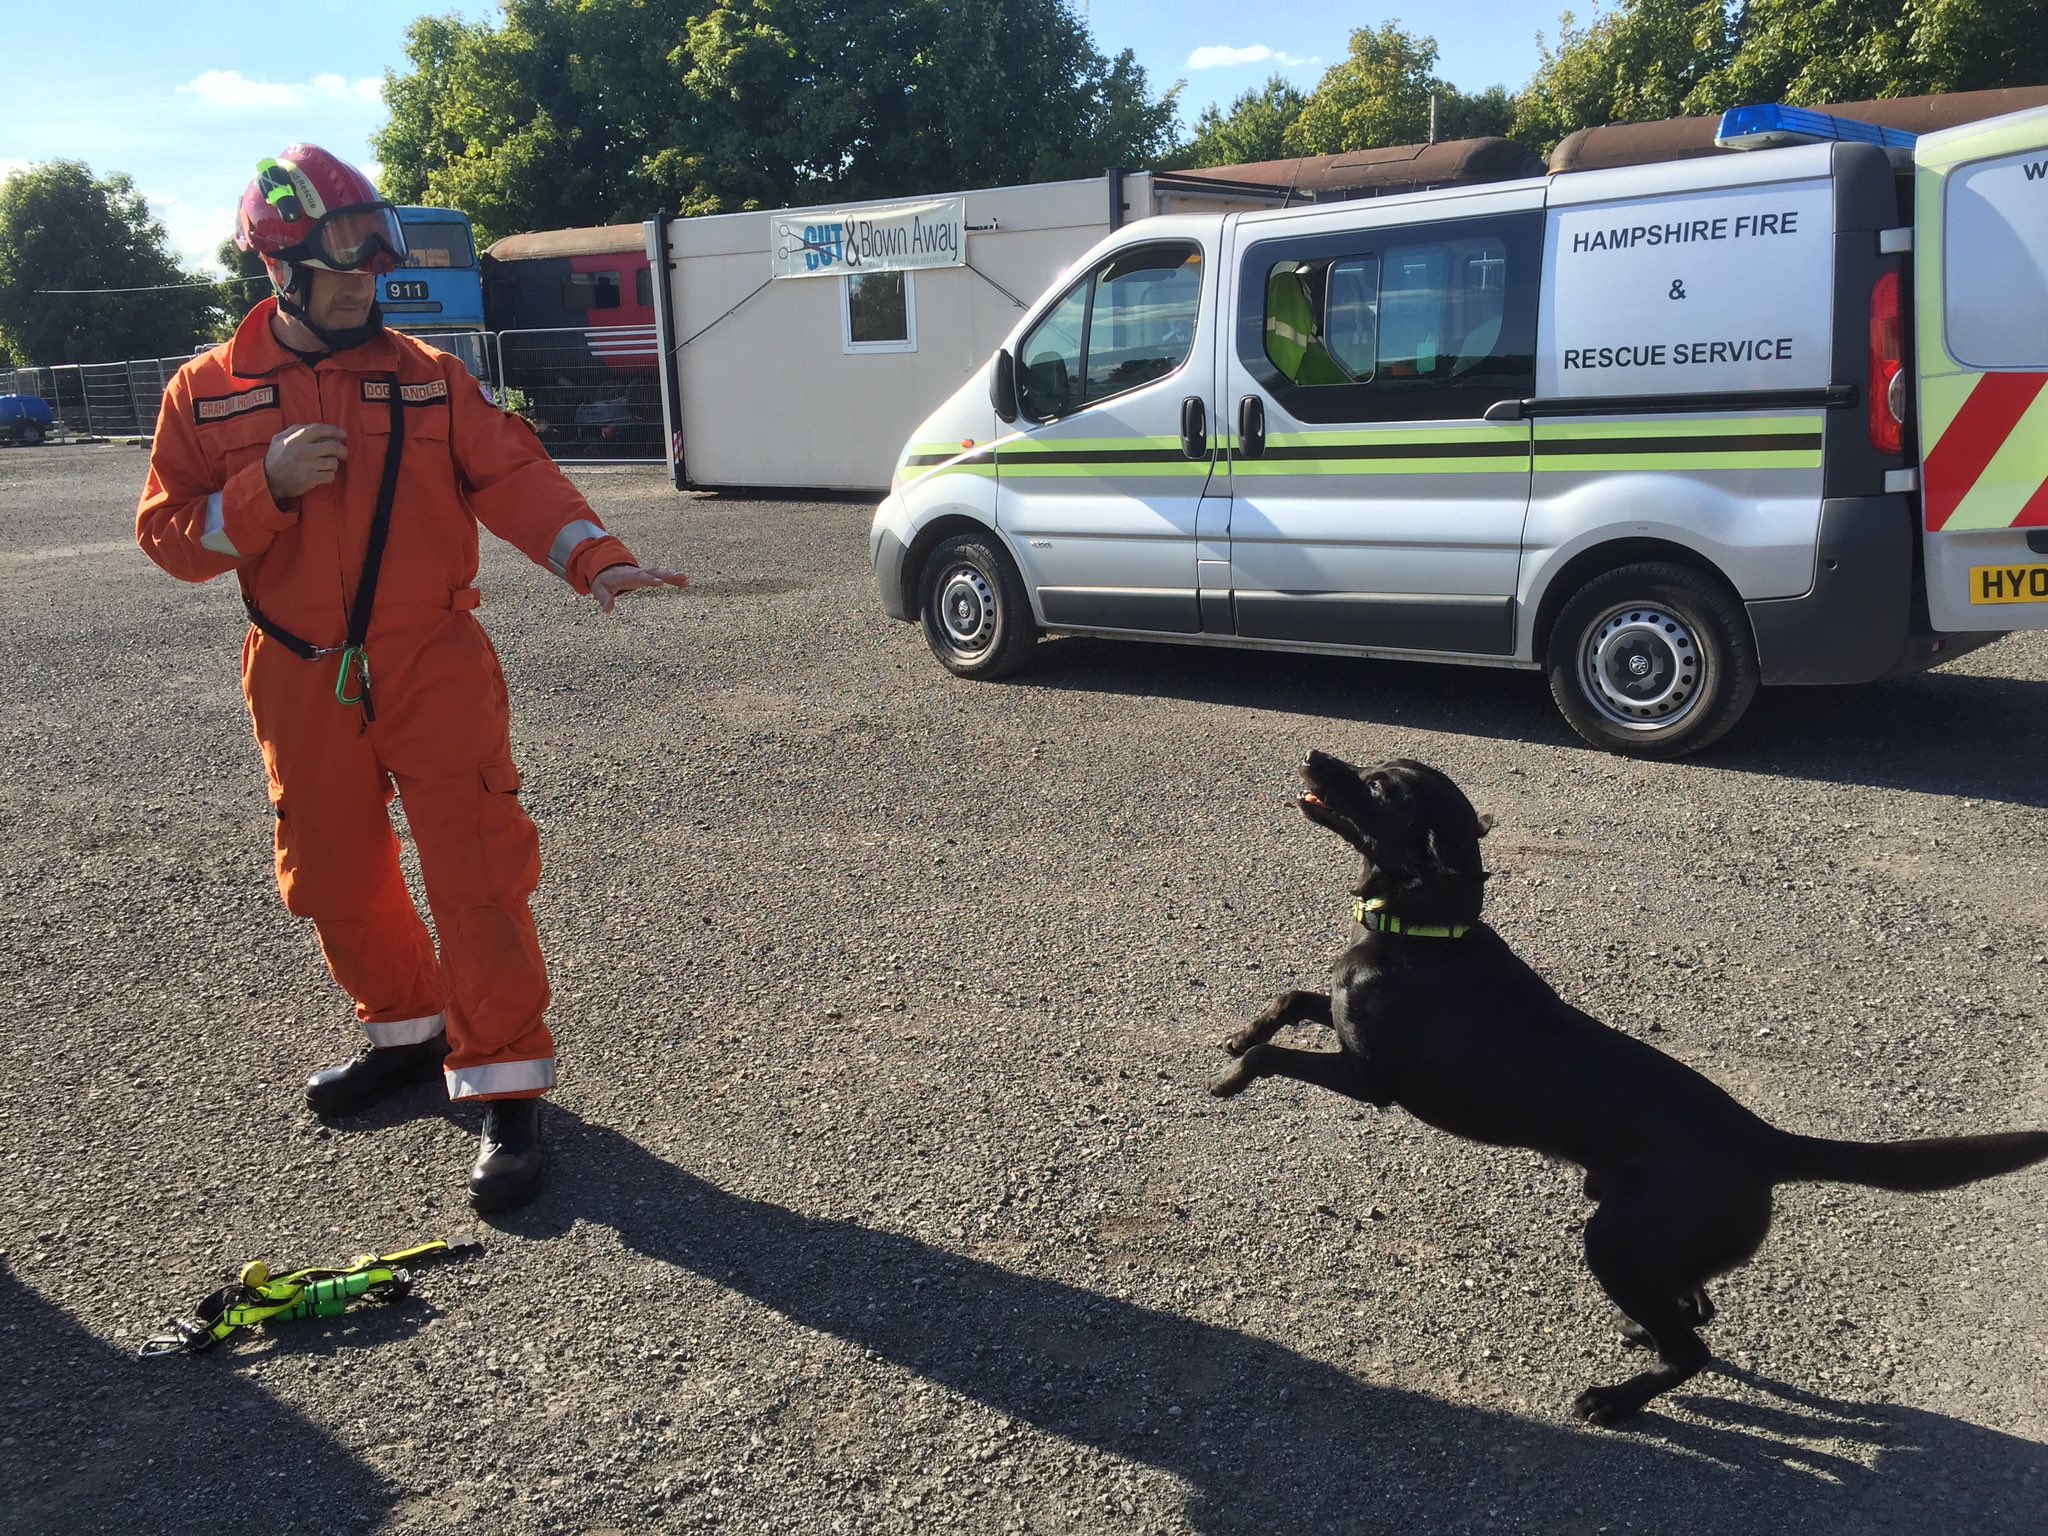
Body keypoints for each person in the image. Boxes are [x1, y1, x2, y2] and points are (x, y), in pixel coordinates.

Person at [135, 145, 686, 1213]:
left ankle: (508, 1083)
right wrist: (264, 488)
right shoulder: (205, 394)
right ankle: (403, 1033)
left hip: (433, 658)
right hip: (295, 670)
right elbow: (169, 540)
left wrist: (596, 557)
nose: (365, 288)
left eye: (373, 269)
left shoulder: (431, 378)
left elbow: (514, 476)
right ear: (277, 268)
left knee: (476, 870)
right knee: (333, 872)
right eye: (342, 272)